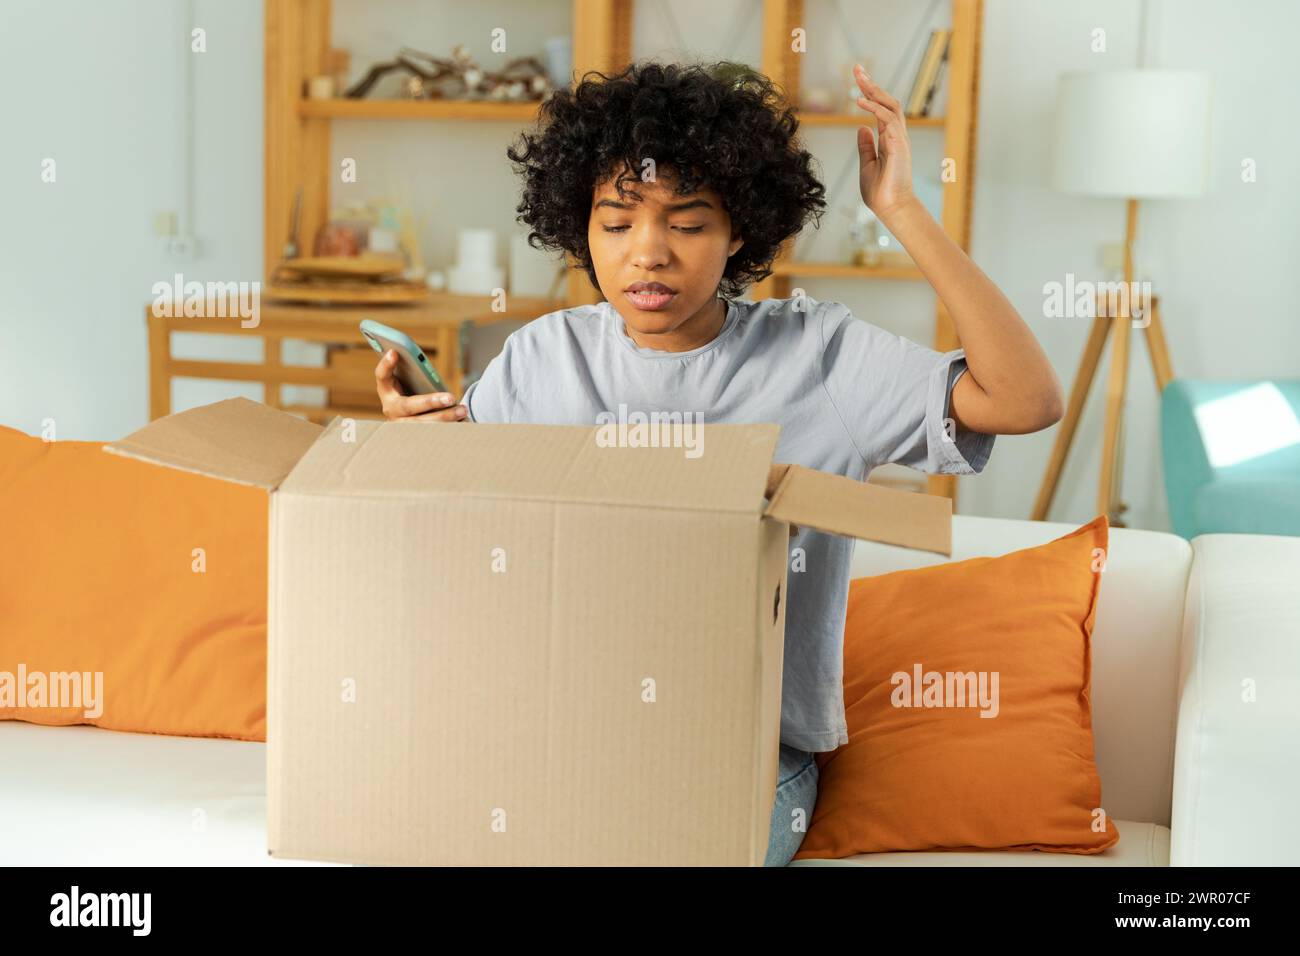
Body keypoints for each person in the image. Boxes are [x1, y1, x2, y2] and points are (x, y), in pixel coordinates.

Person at [375, 61, 1064, 866]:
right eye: (617, 221)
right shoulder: (541, 358)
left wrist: (903, 211)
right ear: (580, 227)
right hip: (565, 729)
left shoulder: (821, 357)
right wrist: (417, 436)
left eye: (689, 223)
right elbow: (459, 536)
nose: (649, 254)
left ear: (740, 230)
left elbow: (1026, 401)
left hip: (745, 752)